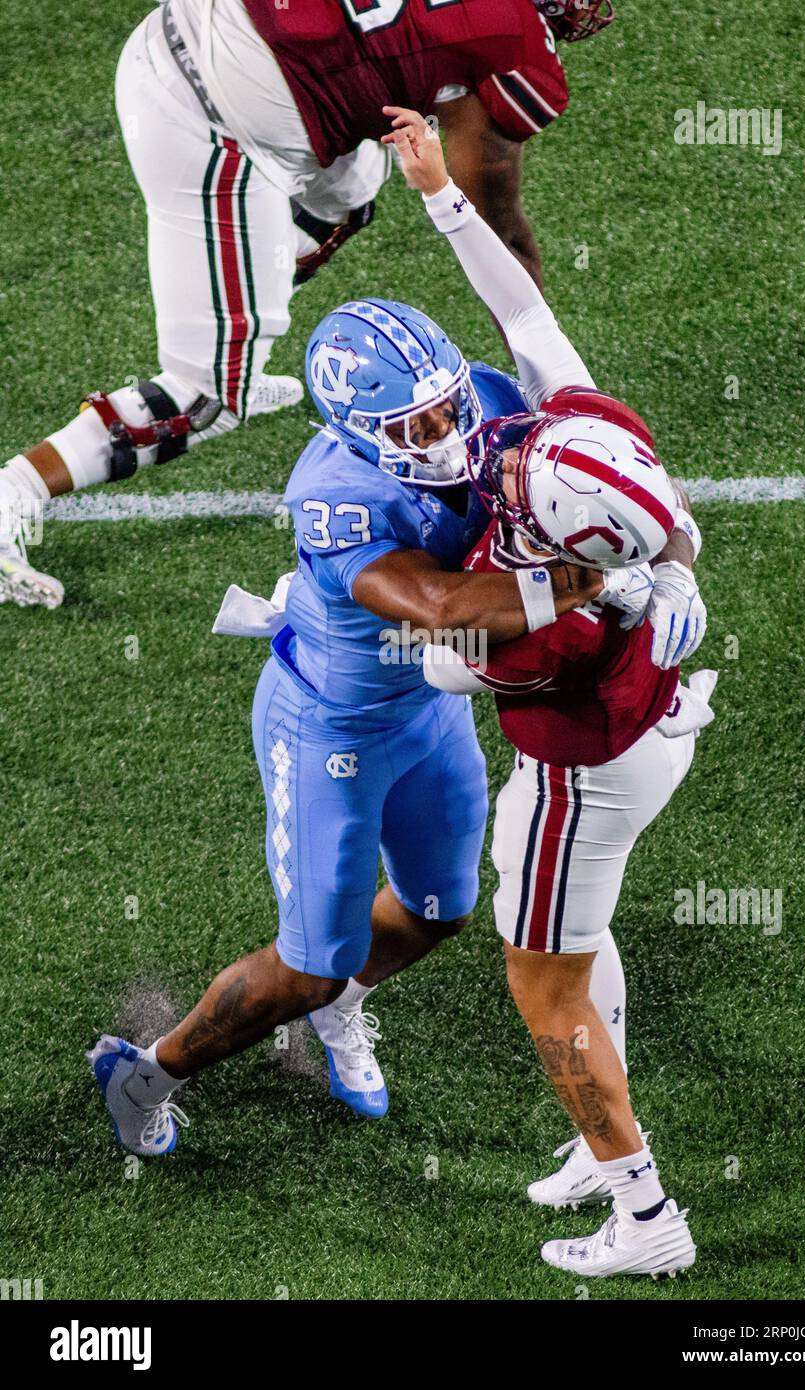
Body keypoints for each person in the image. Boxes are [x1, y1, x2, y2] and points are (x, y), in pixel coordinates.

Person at [88, 293, 610, 1155]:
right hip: (330, 729)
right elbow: (437, 607)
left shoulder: (484, 395)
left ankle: (340, 1006)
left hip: (429, 711)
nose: (444, 428)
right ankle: (145, 1074)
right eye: (413, 424)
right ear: (360, 429)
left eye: (447, 404)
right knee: (308, 962)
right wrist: (587, 575)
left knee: (439, 908)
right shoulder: (339, 493)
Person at [390, 105, 712, 1277]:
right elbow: (523, 309)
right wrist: (440, 193)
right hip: (647, 717)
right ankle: (600, 1143)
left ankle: (645, 1214)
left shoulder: (531, 614)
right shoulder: (593, 433)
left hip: (589, 762)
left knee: (542, 986)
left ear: (570, 550)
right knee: (580, 935)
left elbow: (445, 660)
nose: (505, 445)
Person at [0, 0, 614, 608]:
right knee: (208, 398)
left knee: (351, 185)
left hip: (202, 30)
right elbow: (495, 219)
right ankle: (18, 487)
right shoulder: (514, 36)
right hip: (207, 124)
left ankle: (237, 315)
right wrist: (553, 385)